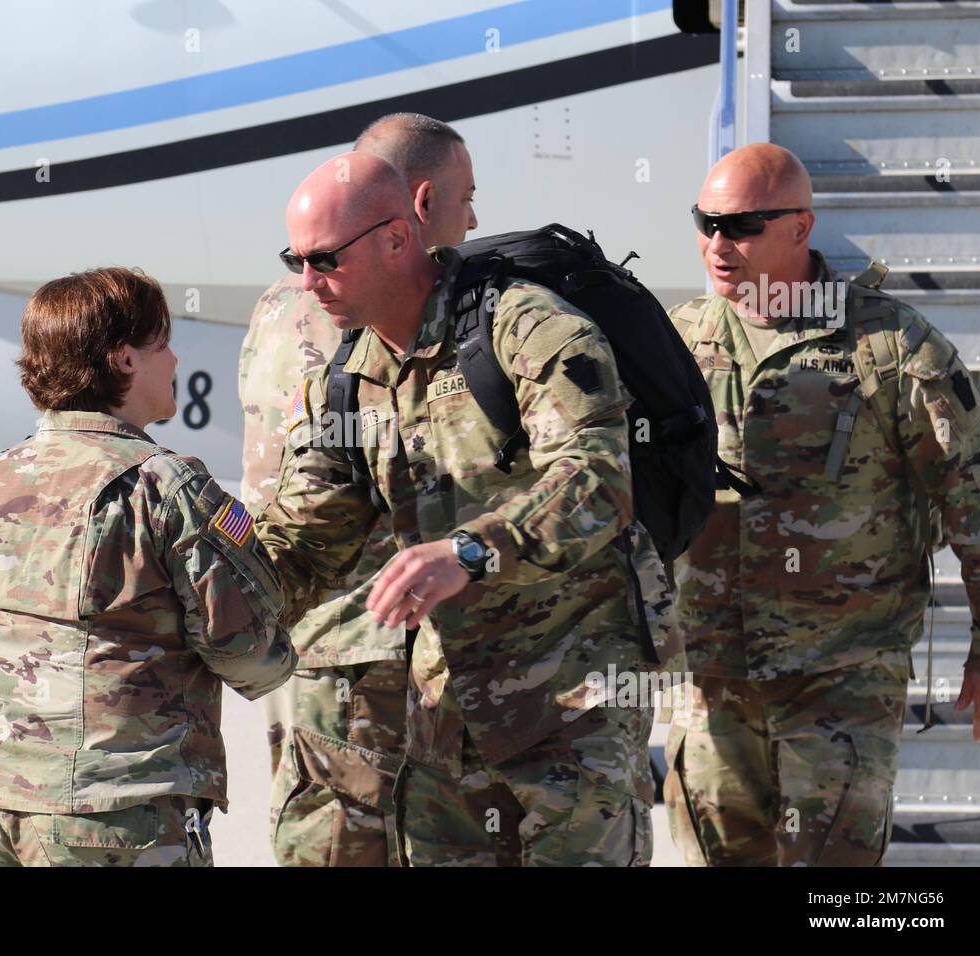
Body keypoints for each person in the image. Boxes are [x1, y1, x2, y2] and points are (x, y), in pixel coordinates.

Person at [254, 153, 683, 866]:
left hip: (570, 710)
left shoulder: (526, 329)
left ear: (397, 239)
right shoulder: (347, 378)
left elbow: (597, 483)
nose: (307, 282)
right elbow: (308, 538)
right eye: (295, 259)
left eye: (325, 258)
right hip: (442, 721)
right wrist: (197, 580)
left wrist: (469, 552)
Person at [665, 143, 980, 866]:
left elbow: (976, 496)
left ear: (800, 227)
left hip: (839, 680)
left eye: (743, 225)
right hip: (711, 681)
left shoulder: (891, 346)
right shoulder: (677, 344)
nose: (718, 245)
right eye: (706, 222)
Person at [0, 266, 295, 867]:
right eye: (163, 344)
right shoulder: (166, 487)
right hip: (115, 814)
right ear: (125, 360)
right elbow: (247, 653)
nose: (176, 360)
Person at [239, 113, 478, 867]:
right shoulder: (428, 314)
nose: (476, 219)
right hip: (395, 641)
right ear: (420, 203)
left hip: (304, 636)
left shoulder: (279, 305)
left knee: (324, 841)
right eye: (467, 199)